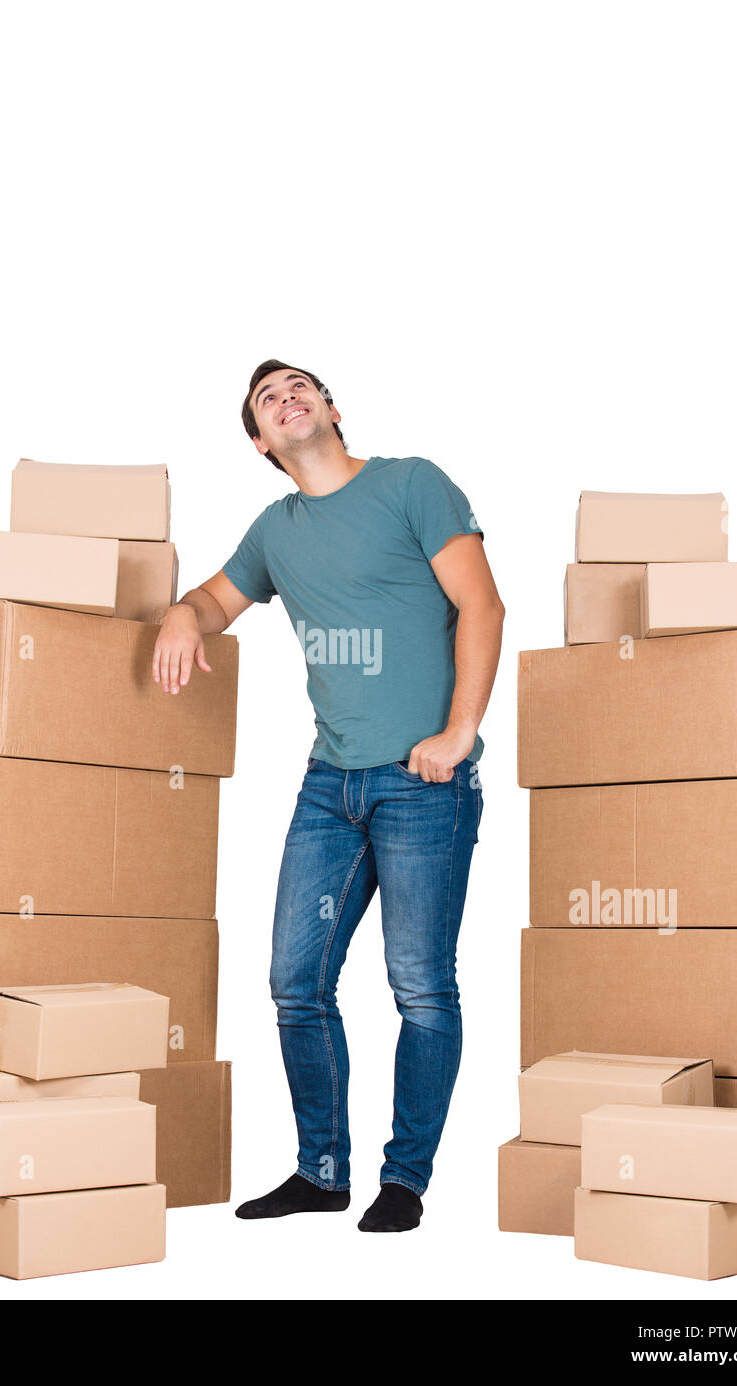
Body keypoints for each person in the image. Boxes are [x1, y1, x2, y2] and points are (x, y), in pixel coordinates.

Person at [152, 359, 505, 1232]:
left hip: (424, 783)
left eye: (297, 386)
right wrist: (178, 617)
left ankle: (405, 1180)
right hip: (329, 788)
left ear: (332, 409)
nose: (285, 399)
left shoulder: (410, 484)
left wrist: (458, 735)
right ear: (264, 444)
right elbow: (210, 600)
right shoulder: (275, 532)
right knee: (293, 982)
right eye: (266, 402)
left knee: (419, 986)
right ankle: (320, 1170)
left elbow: (482, 606)